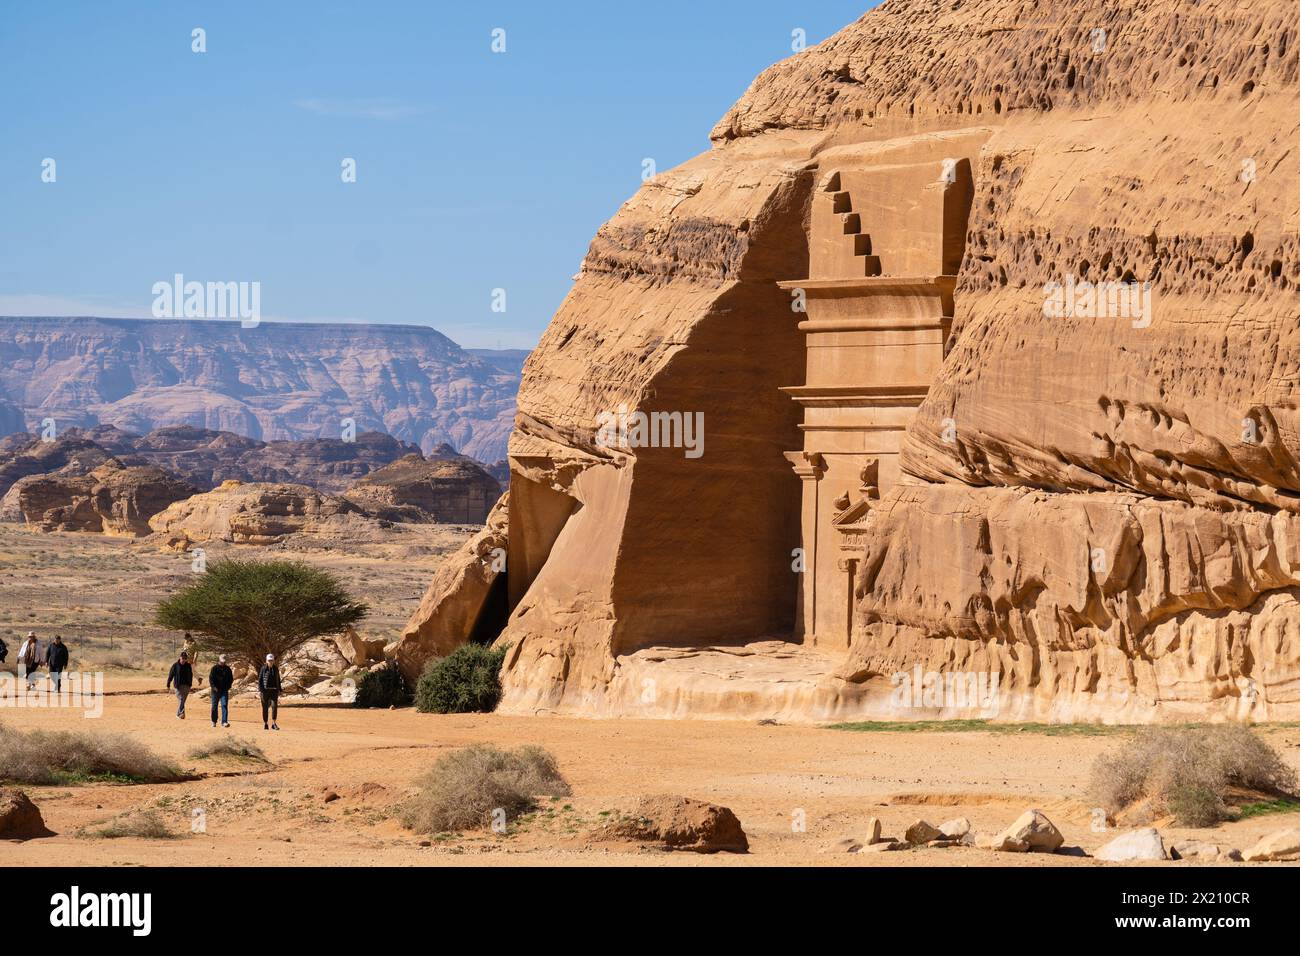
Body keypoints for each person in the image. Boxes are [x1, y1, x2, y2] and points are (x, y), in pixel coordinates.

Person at [166, 651, 194, 719]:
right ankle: (179, 714)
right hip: (178, 686)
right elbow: (171, 675)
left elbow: (191, 675)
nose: (183, 659)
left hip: (186, 686)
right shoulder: (175, 665)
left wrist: (190, 684)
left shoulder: (188, 665)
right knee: (181, 699)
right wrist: (168, 684)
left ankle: (182, 715)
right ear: (180, 657)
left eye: (185, 658)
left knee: (182, 701)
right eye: (182, 658)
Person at [208, 654, 234, 728]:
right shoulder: (214, 668)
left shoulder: (228, 669)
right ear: (219, 660)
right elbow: (211, 679)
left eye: (224, 661)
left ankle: (224, 722)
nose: (223, 663)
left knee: (224, 705)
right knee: (214, 706)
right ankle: (214, 721)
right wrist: (214, 688)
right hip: (215, 691)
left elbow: (231, 679)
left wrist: (228, 687)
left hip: (224, 690)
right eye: (222, 661)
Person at [258, 653, 281, 730]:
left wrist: (279, 689)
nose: (270, 662)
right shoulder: (263, 669)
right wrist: (261, 690)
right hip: (265, 691)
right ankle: (266, 723)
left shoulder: (276, 669)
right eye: (269, 660)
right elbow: (260, 680)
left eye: (272, 660)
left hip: (274, 690)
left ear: (273, 661)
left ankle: (274, 723)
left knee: (274, 706)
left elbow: (278, 679)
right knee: (265, 708)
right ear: (266, 661)